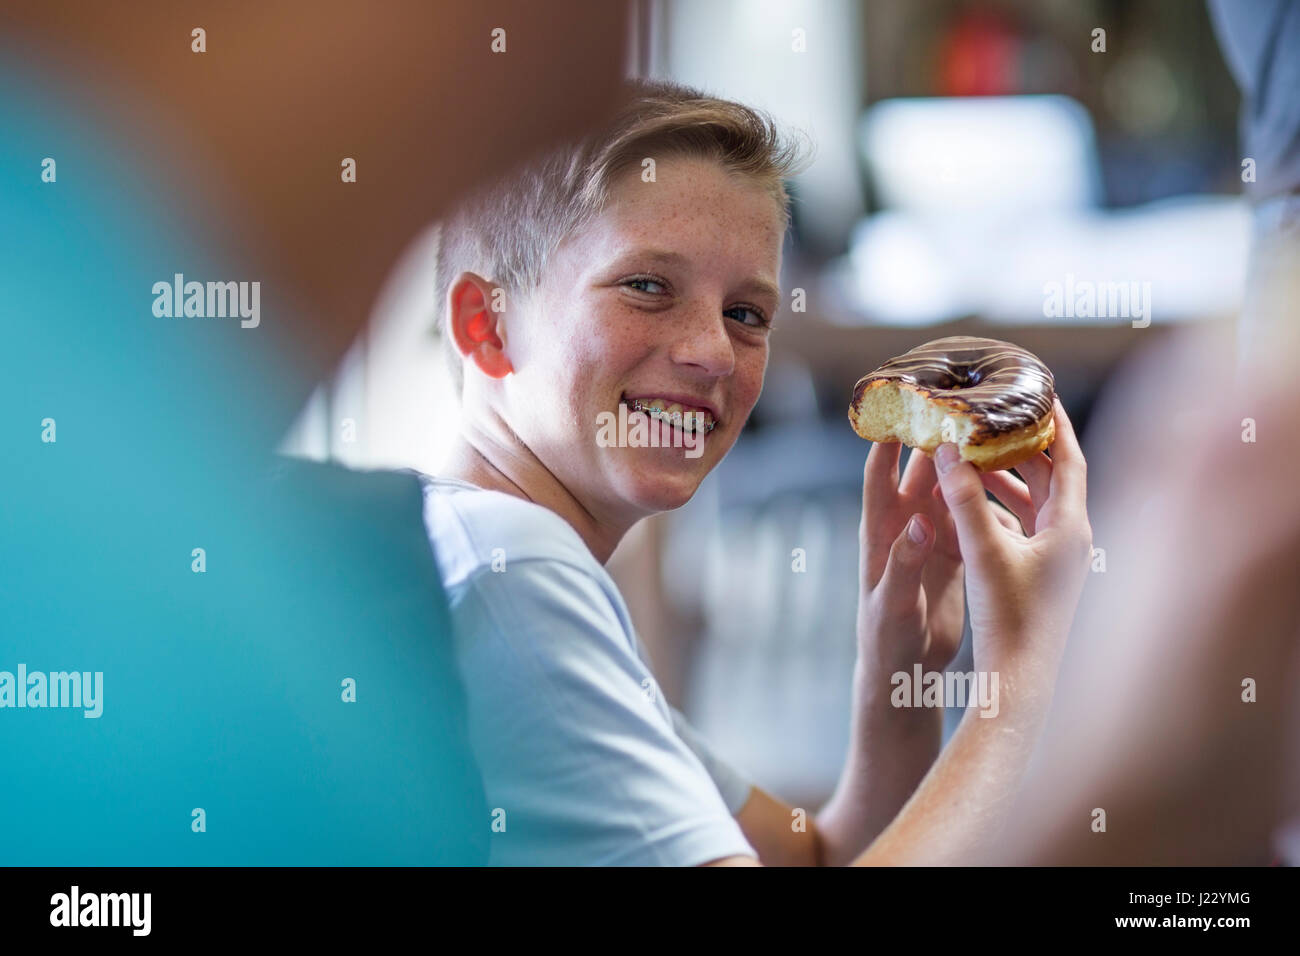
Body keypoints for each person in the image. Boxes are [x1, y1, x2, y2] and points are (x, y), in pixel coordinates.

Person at [422, 79, 1096, 866]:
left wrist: (901, 673)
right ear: (487, 323)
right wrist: (1018, 684)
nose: (712, 352)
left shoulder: (482, 556)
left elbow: (818, 856)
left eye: (746, 313)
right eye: (647, 286)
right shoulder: (516, 575)